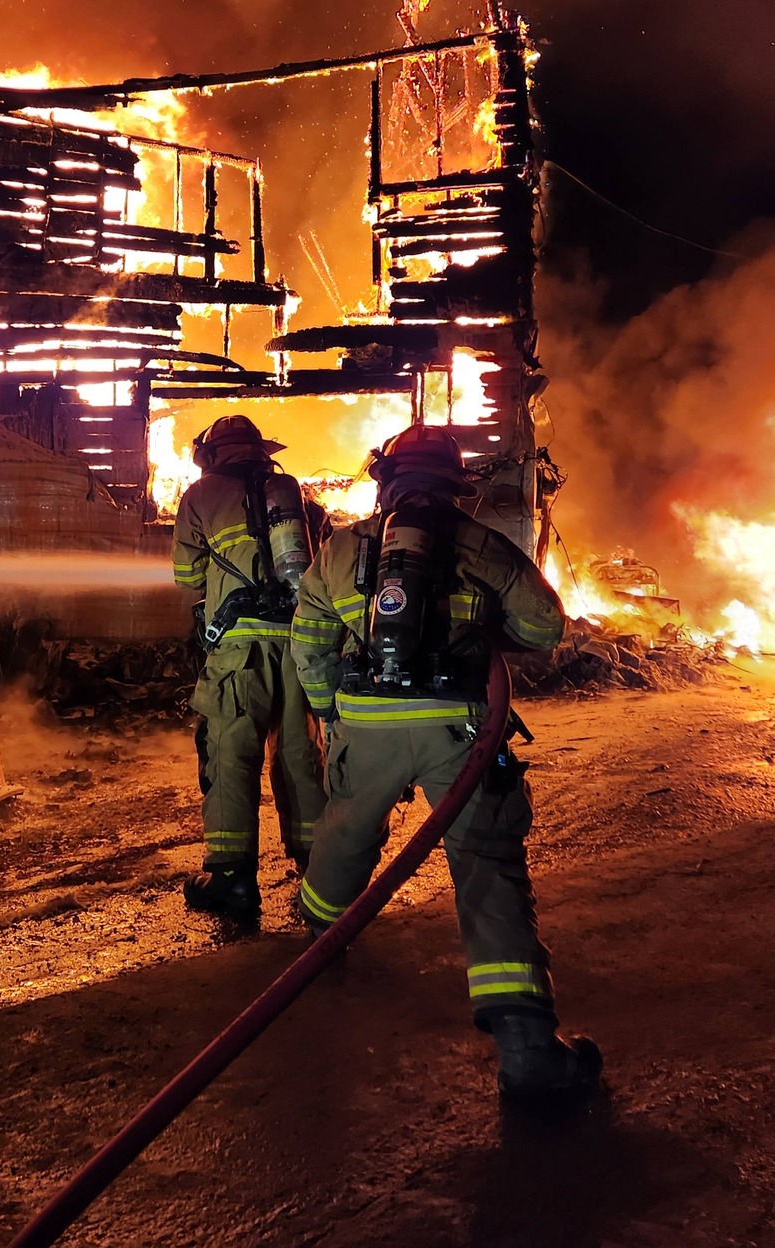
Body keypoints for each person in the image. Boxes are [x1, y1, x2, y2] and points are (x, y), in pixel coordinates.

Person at [289, 423, 602, 1100]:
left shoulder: (342, 549)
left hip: (366, 721)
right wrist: (485, 626)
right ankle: (527, 1056)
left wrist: (332, 712)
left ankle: (319, 934)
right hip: (460, 726)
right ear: (454, 485)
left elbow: (309, 640)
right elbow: (547, 628)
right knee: (486, 865)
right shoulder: (483, 546)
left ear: (386, 481)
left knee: (345, 829)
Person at [171, 415, 328, 923]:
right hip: (298, 642)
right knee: (299, 754)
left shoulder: (200, 495)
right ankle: (318, 868)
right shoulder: (292, 494)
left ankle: (233, 879)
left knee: (231, 754)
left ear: (212, 454)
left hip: (239, 649)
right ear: (261, 452)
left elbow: (185, 575)